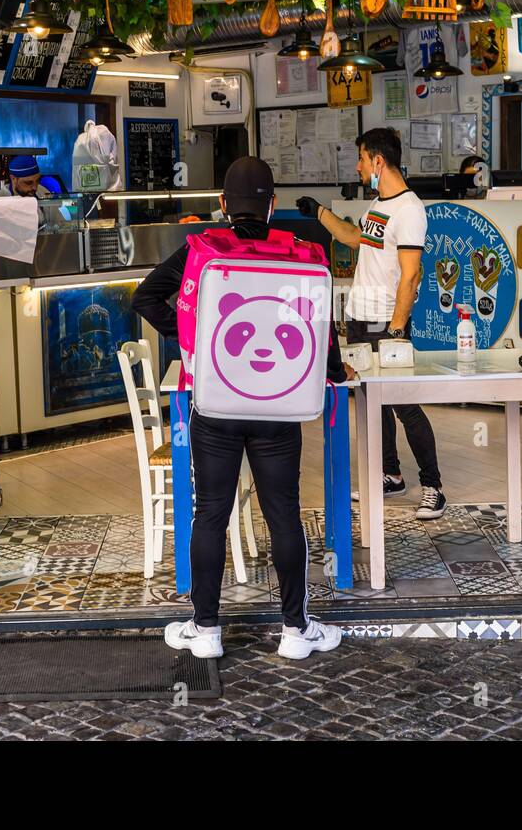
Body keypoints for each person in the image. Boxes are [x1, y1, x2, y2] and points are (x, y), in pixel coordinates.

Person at [133, 156, 352, 662]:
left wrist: (197, 339)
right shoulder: (304, 253)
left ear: (222, 205)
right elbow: (322, 325)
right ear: (273, 205)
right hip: (280, 410)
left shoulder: (201, 251)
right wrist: (336, 372)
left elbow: (146, 299)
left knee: (210, 513)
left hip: (216, 406)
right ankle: (296, 630)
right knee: (283, 515)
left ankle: (206, 629)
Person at [296, 128, 446, 520]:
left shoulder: (410, 210)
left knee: (404, 406)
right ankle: (391, 474)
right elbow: (356, 238)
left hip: (386, 322)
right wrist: (320, 213)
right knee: (370, 403)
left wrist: (397, 328)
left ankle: (433, 486)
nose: (359, 167)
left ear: (379, 160)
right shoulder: (378, 204)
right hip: (361, 319)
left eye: (362, 159)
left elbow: (411, 275)